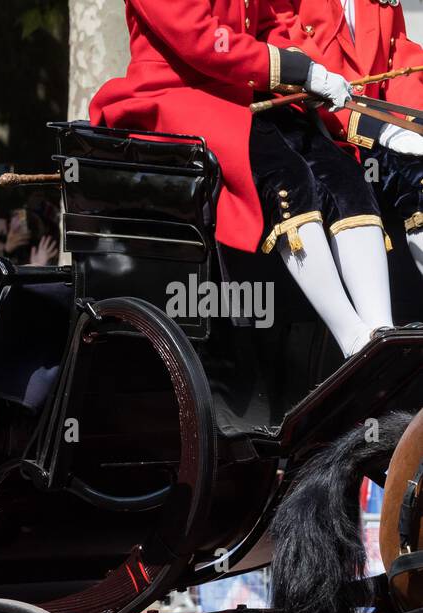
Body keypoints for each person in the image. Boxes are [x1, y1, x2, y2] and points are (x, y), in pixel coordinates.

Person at [90, 0, 393, 357]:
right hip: (175, 90)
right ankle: (353, 340)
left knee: (342, 173)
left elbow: (265, 25)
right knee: (286, 176)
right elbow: (198, 39)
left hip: (243, 88)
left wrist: (306, 67)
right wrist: (294, 69)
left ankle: (380, 330)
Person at [270, 0, 423, 276]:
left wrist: (412, 122)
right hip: (316, 122)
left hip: (379, 112)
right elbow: (292, 58)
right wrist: (377, 128)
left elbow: (397, 50)